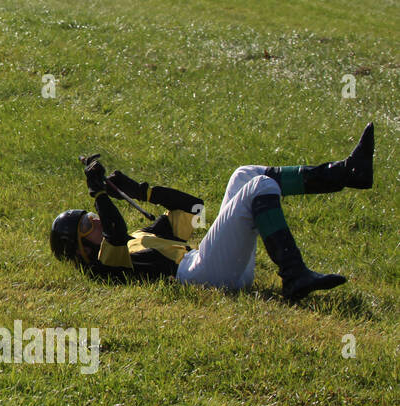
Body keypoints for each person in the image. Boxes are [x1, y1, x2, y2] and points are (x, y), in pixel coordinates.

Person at [50, 124, 374, 301]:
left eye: (88, 215)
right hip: (199, 276)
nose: (93, 220)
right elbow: (115, 231)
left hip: (212, 269)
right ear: (80, 252)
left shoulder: (142, 238)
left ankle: (345, 173)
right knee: (258, 186)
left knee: (244, 174)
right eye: (85, 225)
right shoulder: (104, 264)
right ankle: (295, 275)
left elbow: (195, 208)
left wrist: (140, 191)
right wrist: (99, 195)